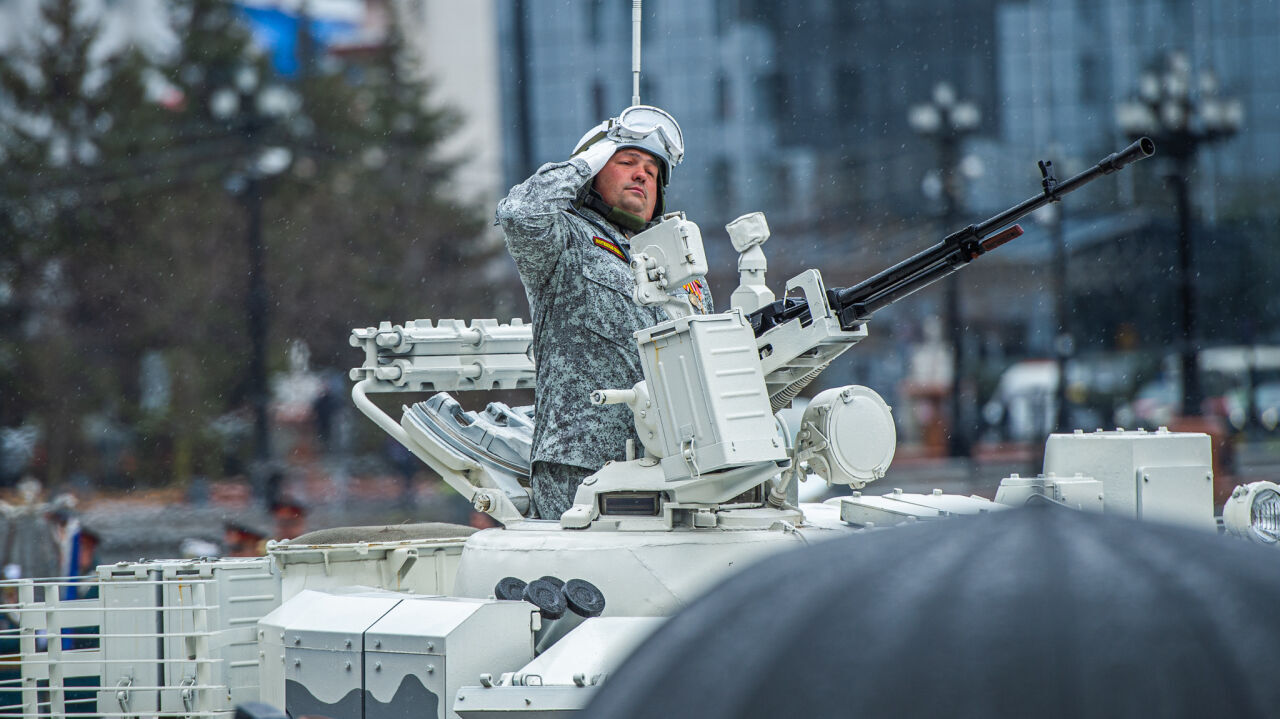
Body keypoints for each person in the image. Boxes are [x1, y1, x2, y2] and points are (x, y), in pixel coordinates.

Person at [496, 105, 710, 519]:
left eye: (652, 169)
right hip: (581, 469)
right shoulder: (566, 238)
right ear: (592, 175)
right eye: (626, 162)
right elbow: (519, 214)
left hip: (678, 467)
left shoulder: (680, 262)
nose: (642, 174)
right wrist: (588, 158)